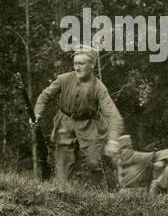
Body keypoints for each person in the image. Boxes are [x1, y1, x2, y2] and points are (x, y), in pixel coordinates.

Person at [34, 48, 123, 186]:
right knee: (62, 169)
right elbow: (45, 96)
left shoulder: (99, 87)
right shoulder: (63, 79)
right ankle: (62, 195)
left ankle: (102, 196)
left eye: (81, 63)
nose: (77, 67)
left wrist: (113, 141)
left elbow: (113, 116)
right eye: (75, 63)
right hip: (64, 123)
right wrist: (37, 113)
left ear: (92, 65)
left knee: (94, 163)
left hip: (89, 125)